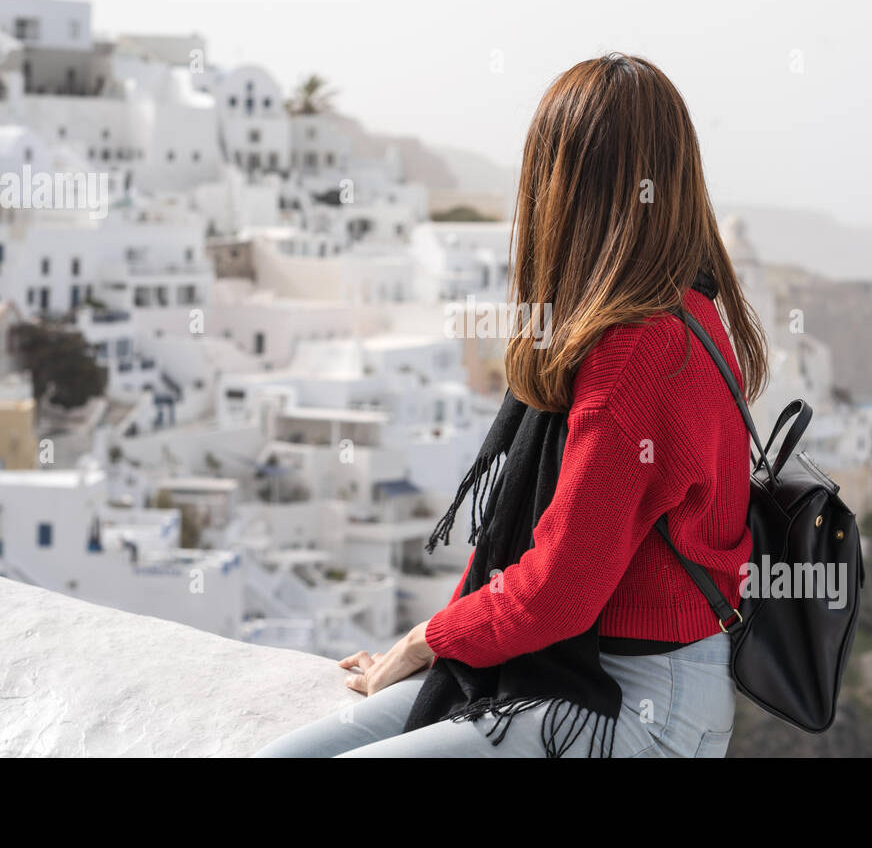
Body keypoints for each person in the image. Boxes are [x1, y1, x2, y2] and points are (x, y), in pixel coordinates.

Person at [254, 53, 768, 758]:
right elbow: (529, 552)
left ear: (564, 188)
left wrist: (424, 640)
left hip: (640, 701)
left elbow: (559, 590)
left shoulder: (639, 348)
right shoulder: (680, 312)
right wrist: (442, 642)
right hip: (582, 670)